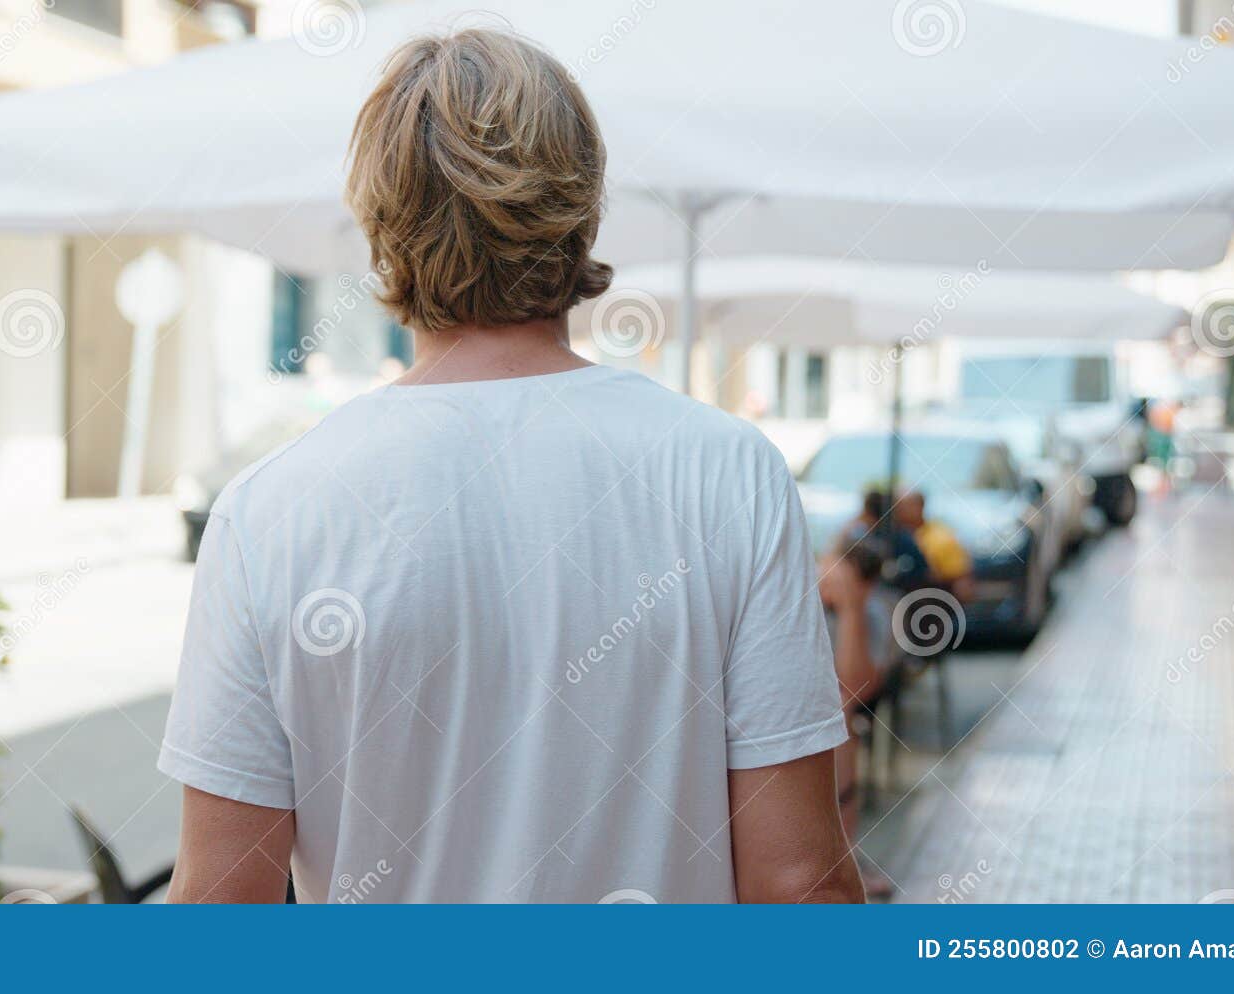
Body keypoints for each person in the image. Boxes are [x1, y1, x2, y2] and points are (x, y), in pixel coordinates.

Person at [157, 28, 862, 904]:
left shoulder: (272, 510)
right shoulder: (728, 473)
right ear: (583, 207)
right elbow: (800, 888)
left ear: (380, 223)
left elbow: (221, 908)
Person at [817, 538, 897, 898]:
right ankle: (840, 856)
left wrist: (851, 611)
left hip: (833, 716)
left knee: (842, 714)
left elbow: (855, 687)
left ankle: (844, 855)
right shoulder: (794, 599)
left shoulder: (871, 614)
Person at [893, 490, 973, 602]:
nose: (897, 511)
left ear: (920, 506)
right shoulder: (892, 536)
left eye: (902, 506)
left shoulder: (941, 536)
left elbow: (962, 580)